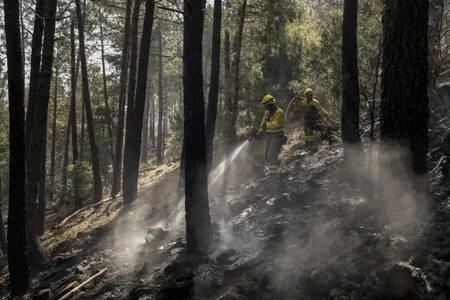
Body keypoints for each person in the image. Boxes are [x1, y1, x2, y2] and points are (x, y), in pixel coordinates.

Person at [256, 94, 286, 177]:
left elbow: (274, 125)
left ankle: (273, 175)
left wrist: (266, 124)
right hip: (269, 136)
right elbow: (263, 123)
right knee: (266, 155)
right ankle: (270, 172)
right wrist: (260, 131)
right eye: (265, 105)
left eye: (267, 105)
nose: (266, 107)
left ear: (271, 103)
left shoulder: (279, 112)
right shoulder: (267, 112)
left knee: (272, 155)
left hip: (278, 137)